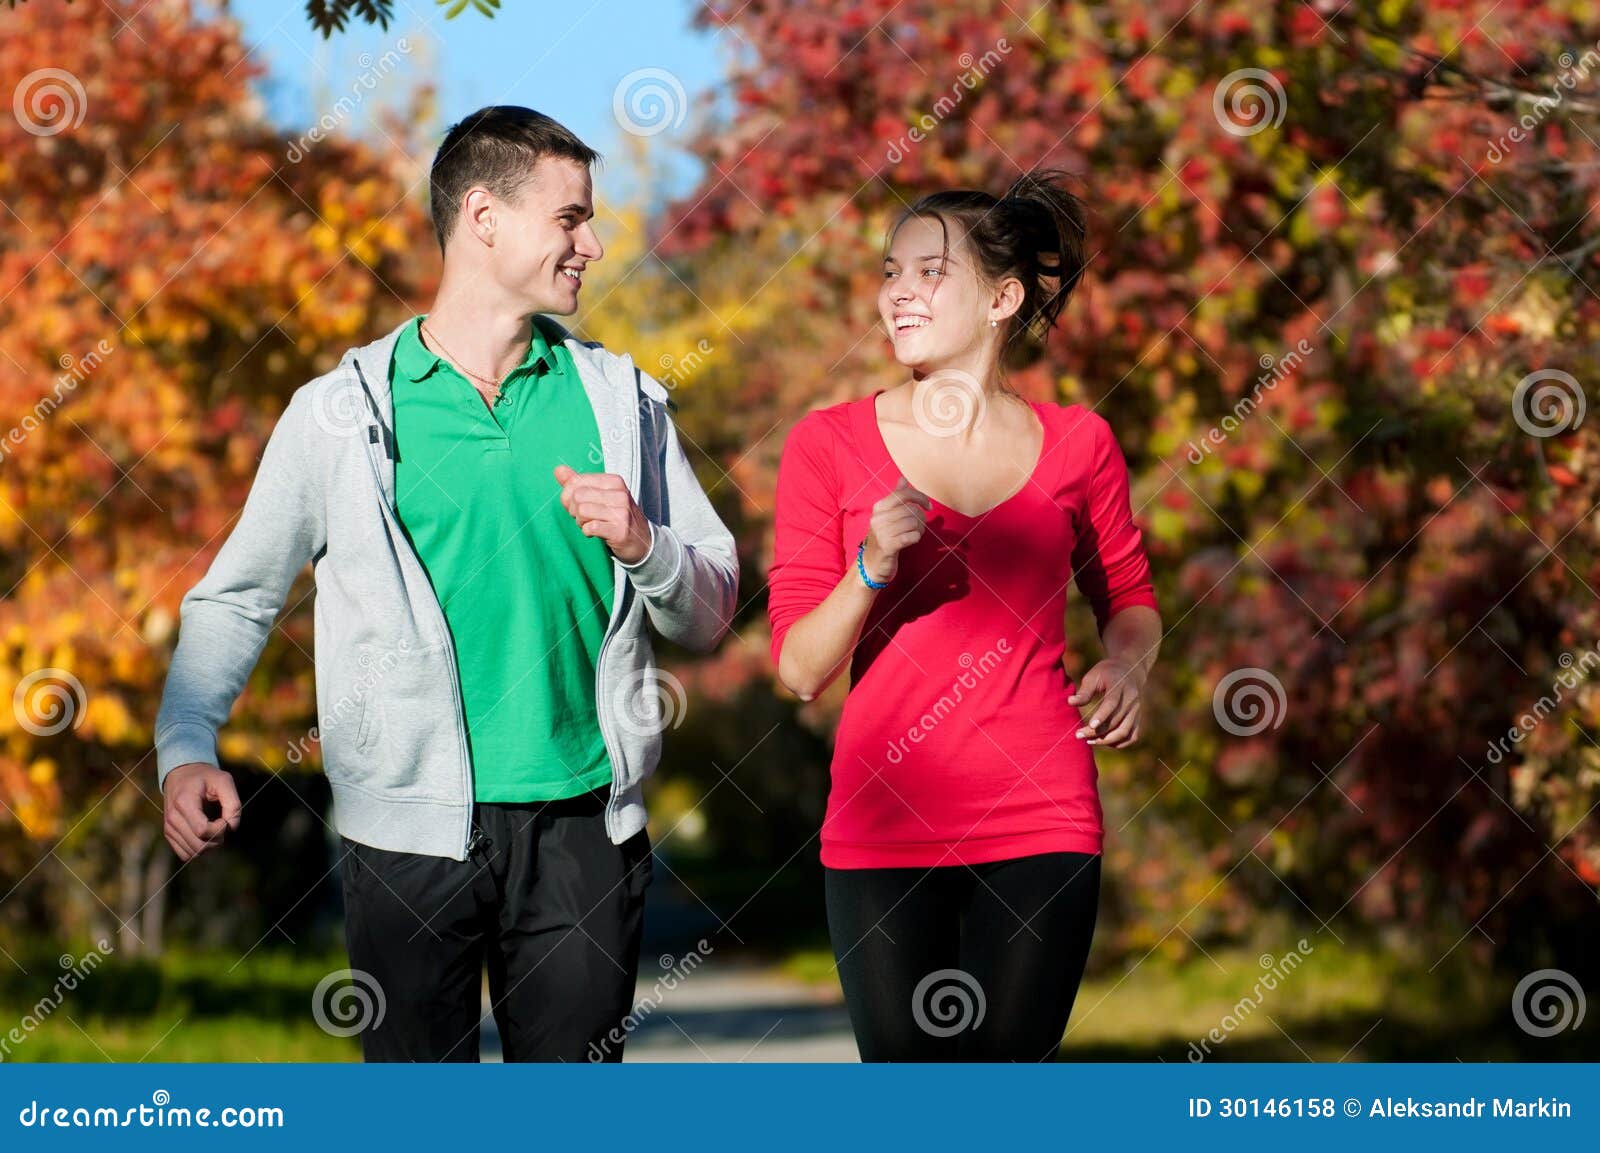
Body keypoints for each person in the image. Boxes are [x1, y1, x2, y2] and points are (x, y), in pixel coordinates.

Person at [154, 106, 739, 1062]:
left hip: (586, 829)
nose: (593, 244)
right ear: (483, 217)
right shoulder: (342, 414)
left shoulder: (621, 399)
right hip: (406, 836)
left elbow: (712, 606)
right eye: (571, 218)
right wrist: (185, 743)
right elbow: (237, 595)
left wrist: (646, 544)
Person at [767, 171, 1162, 1061]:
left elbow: (1130, 601)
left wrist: (1129, 665)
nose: (898, 291)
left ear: (1002, 298)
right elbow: (797, 669)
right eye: (890, 271)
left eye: (929, 271)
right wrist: (869, 568)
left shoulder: (1079, 444)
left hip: (1042, 816)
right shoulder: (826, 443)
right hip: (883, 824)